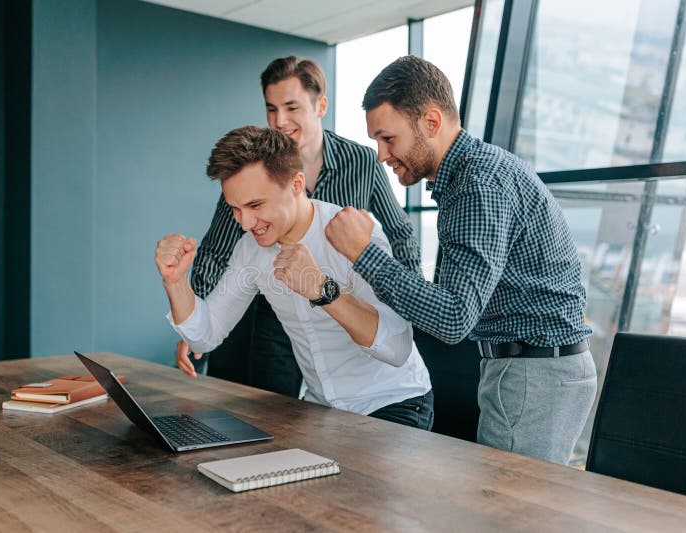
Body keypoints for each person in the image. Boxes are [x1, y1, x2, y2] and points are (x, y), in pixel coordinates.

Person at [325, 56, 596, 465]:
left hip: (534, 375)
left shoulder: (476, 186)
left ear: (431, 122)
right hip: (532, 369)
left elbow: (453, 318)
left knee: (508, 518)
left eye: (388, 138)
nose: (381, 155)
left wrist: (365, 254)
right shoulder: (473, 177)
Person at [157, 125, 433, 429]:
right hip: (322, 408)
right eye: (235, 209)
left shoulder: (352, 233)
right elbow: (205, 336)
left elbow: (396, 348)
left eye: (255, 205)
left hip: (393, 402)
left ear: (296, 184)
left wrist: (321, 290)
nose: (245, 222)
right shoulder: (251, 250)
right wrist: (176, 282)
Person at [178, 56, 420, 397]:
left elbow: (400, 234)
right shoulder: (248, 177)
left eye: (291, 108)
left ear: (320, 105)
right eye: (271, 109)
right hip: (278, 313)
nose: (280, 120)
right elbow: (216, 251)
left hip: (349, 318)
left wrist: (410, 302)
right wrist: (195, 320)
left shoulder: (361, 161)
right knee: (277, 414)